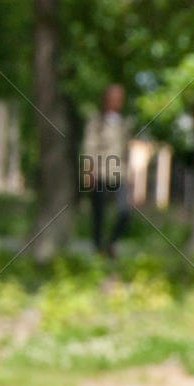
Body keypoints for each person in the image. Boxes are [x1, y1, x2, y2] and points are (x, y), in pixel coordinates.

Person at [81, 85, 130, 258]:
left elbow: (125, 151)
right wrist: (89, 173)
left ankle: (111, 244)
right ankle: (97, 250)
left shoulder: (123, 122)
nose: (118, 101)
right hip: (100, 172)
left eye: (121, 97)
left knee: (125, 211)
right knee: (98, 214)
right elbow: (89, 147)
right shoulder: (97, 120)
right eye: (115, 97)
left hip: (119, 173)